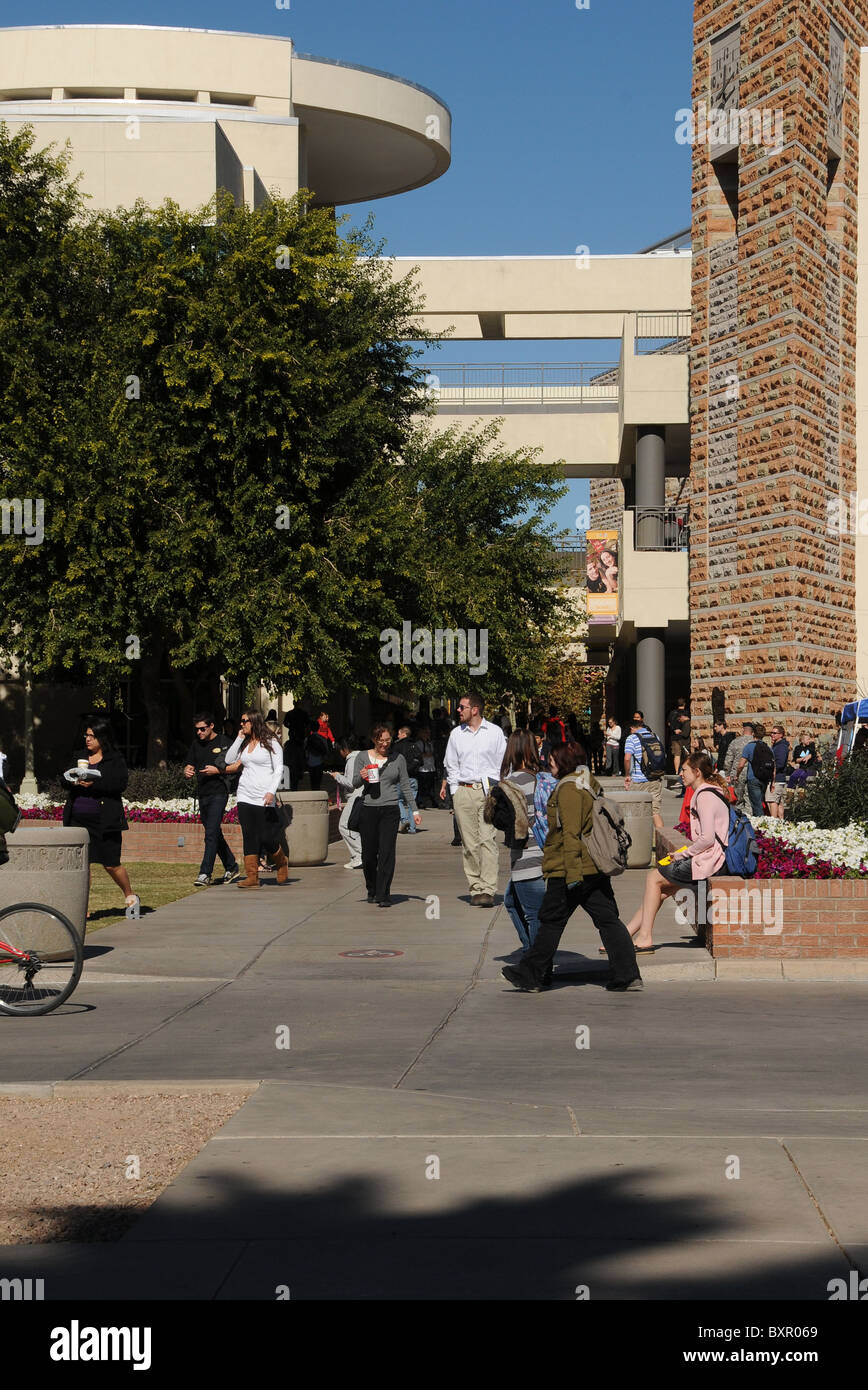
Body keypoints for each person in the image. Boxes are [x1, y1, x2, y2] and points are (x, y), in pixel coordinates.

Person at [502, 742, 641, 993]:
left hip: (570, 868)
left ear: (564, 760)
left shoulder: (568, 789)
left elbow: (570, 834)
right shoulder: (585, 782)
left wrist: (572, 876)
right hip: (591, 868)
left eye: (553, 758)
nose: (549, 762)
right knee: (607, 920)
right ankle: (627, 975)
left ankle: (531, 974)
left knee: (551, 921)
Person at [624, 752, 731, 952]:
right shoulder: (711, 791)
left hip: (710, 861)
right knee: (660, 891)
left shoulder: (705, 796)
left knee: (653, 879)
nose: (680, 774)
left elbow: (707, 838)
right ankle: (624, 935)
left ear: (697, 772)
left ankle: (645, 937)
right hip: (713, 858)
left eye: (684, 770)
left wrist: (683, 854)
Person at [61, 717, 140, 919]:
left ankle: (130, 896)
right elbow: (63, 779)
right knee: (82, 866)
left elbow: (119, 784)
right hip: (77, 819)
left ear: (102, 738)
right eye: (86, 735)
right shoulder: (79, 756)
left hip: (104, 820)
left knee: (111, 863)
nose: (88, 739)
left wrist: (93, 784)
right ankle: (82, 908)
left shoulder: (114, 759)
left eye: (92, 736)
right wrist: (74, 782)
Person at [442, 692, 507, 907]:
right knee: (469, 844)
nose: (458, 710)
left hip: (488, 792)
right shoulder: (456, 735)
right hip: (464, 791)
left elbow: (502, 764)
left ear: (475, 709)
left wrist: (498, 789)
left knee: (488, 839)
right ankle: (476, 888)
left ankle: (488, 888)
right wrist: (455, 792)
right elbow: (451, 765)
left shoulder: (495, 733)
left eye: (462, 707)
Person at [352, 725, 421, 907]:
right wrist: (363, 775)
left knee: (387, 852)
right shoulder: (362, 757)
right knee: (368, 855)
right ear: (374, 740)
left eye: (387, 740)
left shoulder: (398, 759)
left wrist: (414, 810)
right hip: (369, 808)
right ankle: (372, 888)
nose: (384, 744)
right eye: (380, 740)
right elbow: (354, 783)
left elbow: (405, 786)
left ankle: (383, 893)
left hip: (390, 810)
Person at [224, 710, 288, 890]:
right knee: (249, 834)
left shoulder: (271, 742)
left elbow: (278, 770)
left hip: (264, 796)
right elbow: (229, 759)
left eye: (244, 721)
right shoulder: (244, 743)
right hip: (244, 794)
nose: (241, 724)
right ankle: (252, 876)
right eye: (241, 721)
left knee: (266, 836)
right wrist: (237, 738)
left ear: (254, 722)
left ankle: (281, 862)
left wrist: (271, 792)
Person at [500, 731, 549, 949]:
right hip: (545, 849)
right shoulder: (543, 777)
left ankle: (536, 959)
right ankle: (533, 954)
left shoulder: (511, 783)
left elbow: (502, 820)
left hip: (526, 853)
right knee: (511, 900)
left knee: (533, 914)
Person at [184, 712, 241, 887]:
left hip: (219, 792)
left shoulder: (224, 742)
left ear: (211, 726)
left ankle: (204, 873)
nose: (199, 732)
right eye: (197, 730)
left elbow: (238, 765)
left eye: (203, 729)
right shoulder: (196, 744)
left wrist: (218, 771)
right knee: (214, 832)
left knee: (210, 833)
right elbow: (189, 764)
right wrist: (187, 771)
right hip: (203, 793)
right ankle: (231, 866)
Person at [623, 711, 665, 831]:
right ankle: (661, 843)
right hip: (655, 778)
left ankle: (638, 843)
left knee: (636, 814)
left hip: (638, 781)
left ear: (632, 727)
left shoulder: (631, 738)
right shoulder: (655, 736)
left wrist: (627, 775)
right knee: (655, 813)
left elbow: (627, 758)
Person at [328, 737, 363, 869]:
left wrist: (337, 776)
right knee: (354, 827)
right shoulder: (360, 757)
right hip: (359, 797)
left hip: (355, 797)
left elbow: (351, 783)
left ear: (345, 749)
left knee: (345, 825)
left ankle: (360, 855)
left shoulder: (353, 759)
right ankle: (358, 856)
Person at [735, 723, 772, 817]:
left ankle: (761, 827)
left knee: (756, 805)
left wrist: (737, 775)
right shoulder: (768, 748)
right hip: (765, 779)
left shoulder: (749, 747)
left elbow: (741, 765)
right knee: (760, 802)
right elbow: (773, 766)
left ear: (753, 734)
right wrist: (773, 782)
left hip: (753, 778)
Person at [393, 725, 423, 834]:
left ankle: (404, 819)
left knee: (397, 799)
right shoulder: (415, 746)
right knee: (412, 802)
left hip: (400, 778)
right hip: (413, 778)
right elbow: (421, 761)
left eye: (399, 733)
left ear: (404, 734)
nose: (397, 735)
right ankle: (412, 828)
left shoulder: (396, 746)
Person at [765, 724, 791, 820]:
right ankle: (781, 823)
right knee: (779, 802)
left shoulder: (781, 747)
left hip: (776, 779)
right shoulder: (777, 746)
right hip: (778, 779)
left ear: (781, 735)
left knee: (772, 801)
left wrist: (768, 767)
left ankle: (774, 823)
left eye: (775, 733)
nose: (772, 735)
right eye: (771, 733)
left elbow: (779, 764)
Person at [415, 725, 437, 808]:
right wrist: (427, 755)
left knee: (431, 787)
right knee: (421, 787)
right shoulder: (419, 743)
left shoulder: (430, 743)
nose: (428, 734)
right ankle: (420, 802)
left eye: (429, 733)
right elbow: (418, 754)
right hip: (422, 769)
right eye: (426, 732)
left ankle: (432, 801)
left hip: (431, 768)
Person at [667, 697, 689, 776]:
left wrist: (674, 730)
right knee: (686, 754)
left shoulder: (672, 713)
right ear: (684, 704)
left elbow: (669, 724)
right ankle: (684, 771)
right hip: (684, 738)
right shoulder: (686, 713)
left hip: (674, 737)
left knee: (677, 755)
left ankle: (676, 772)